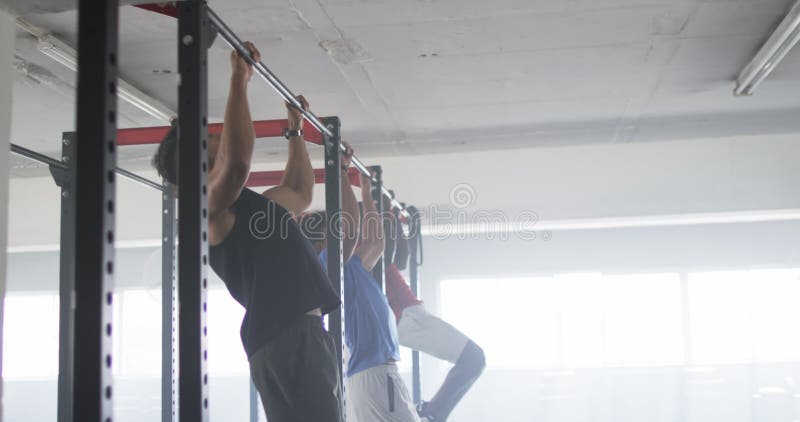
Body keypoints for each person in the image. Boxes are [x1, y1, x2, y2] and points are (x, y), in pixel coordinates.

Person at [152, 42, 343, 422]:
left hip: (298, 336)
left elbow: (300, 193)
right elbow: (237, 161)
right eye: (210, 144)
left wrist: (295, 131)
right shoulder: (205, 210)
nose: (219, 139)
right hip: (287, 338)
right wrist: (239, 77)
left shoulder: (243, 205)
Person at [302, 171, 420, 422]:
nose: (340, 238)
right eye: (331, 233)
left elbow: (377, 243)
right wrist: (341, 174)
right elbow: (350, 227)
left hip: (378, 373)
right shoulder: (326, 265)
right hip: (373, 373)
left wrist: (367, 194)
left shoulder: (350, 265)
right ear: (321, 243)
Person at [384, 208, 485, 422]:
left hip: (412, 313)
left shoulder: (388, 263)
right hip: (405, 321)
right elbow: (391, 249)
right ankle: (433, 413)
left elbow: (403, 256)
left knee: (474, 359)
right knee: (474, 358)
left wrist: (394, 217)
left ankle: (433, 412)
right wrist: (387, 215)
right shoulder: (371, 256)